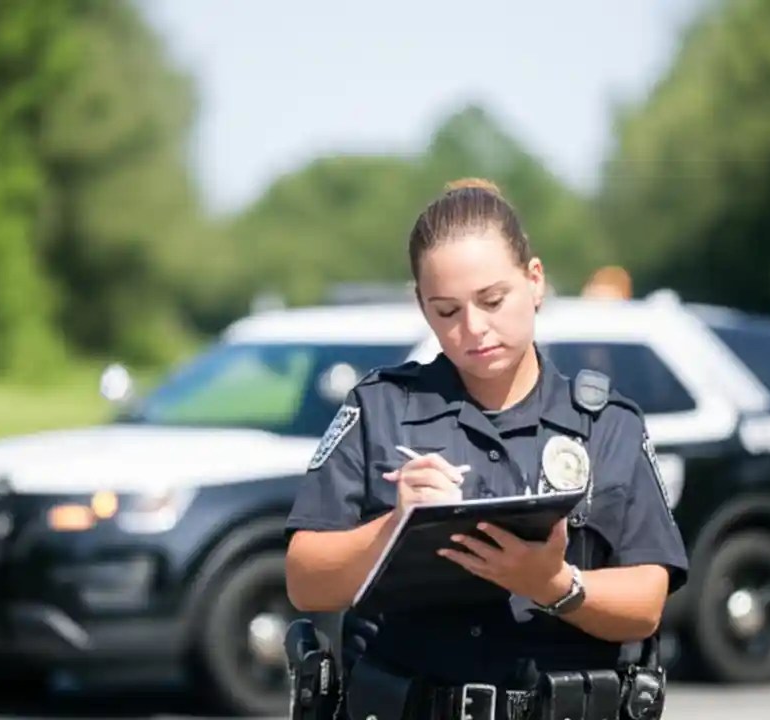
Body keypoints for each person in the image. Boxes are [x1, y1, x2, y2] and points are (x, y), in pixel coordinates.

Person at [284, 178, 688, 719]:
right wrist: (395, 525)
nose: (473, 328)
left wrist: (551, 584)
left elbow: (645, 604)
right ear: (422, 307)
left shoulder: (608, 425)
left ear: (535, 281)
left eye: (493, 300)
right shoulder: (381, 410)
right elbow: (305, 582)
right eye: (446, 311)